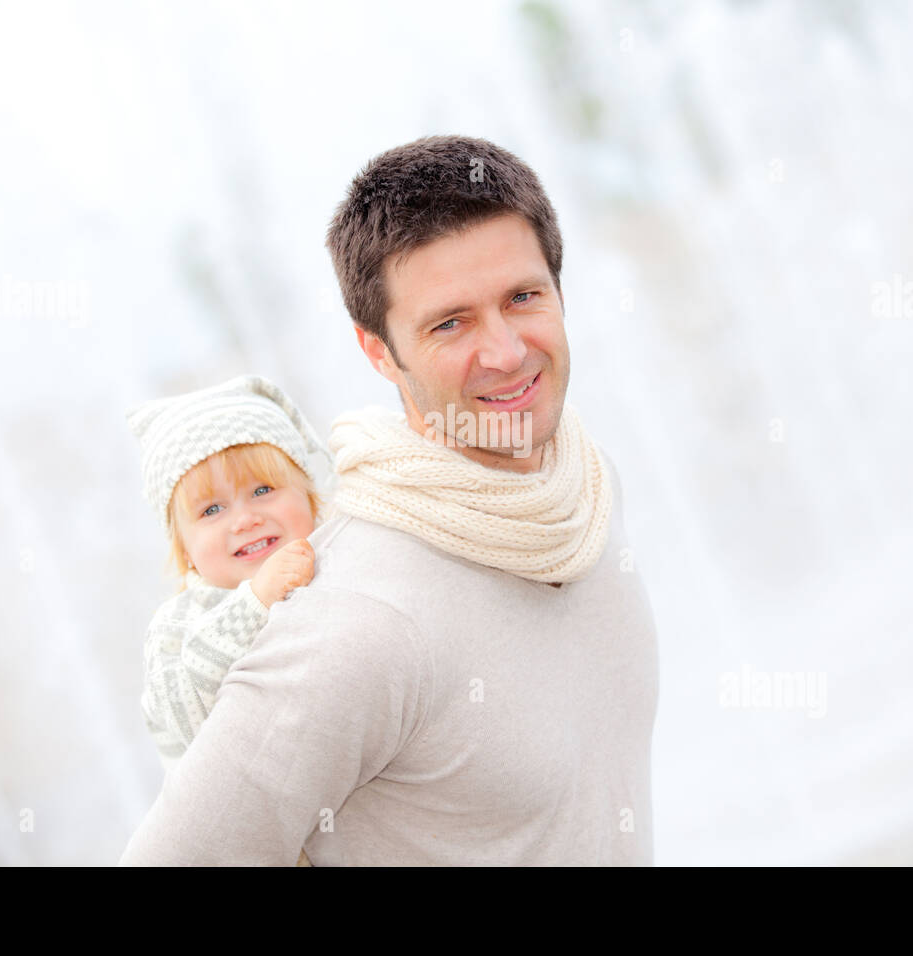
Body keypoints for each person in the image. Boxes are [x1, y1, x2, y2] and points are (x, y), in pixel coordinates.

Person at [120, 135, 659, 866]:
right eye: (450, 323)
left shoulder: (589, 490)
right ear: (378, 352)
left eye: (522, 297)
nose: (504, 352)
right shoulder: (354, 623)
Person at [125, 374, 328, 866]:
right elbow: (187, 712)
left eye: (263, 490)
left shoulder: (331, 568)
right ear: (185, 551)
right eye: (212, 509)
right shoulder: (181, 623)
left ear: (311, 501)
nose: (244, 519)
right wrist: (255, 601)